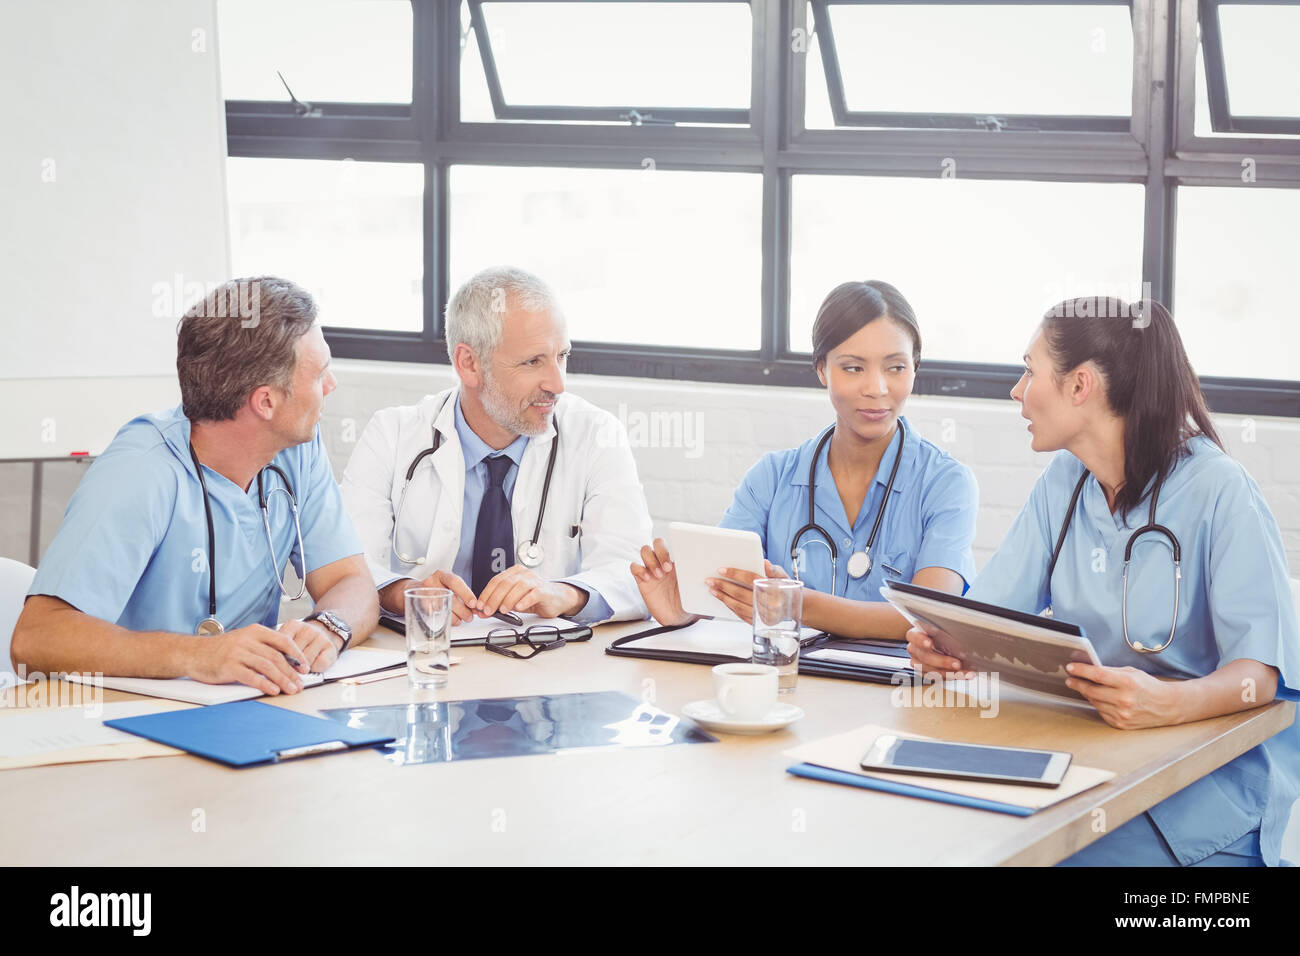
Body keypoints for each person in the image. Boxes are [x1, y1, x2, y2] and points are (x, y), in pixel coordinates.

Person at [907, 297, 1299, 866]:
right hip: (1090, 765)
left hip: (1202, 794)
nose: (1017, 391)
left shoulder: (1220, 490)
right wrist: (944, 643)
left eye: (1029, 370)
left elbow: (1259, 677)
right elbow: (987, 616)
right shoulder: (1064, 483)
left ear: (1079, 386)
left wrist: (1166, 702)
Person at [12, 277, 379, 696]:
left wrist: (329, 627)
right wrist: (196, 655)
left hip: (243, 709)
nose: (331, 386)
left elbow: (352, 582)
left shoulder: (297, 451)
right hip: (125, 715)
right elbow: (35, 639)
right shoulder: (141, 470)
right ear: (266, 402)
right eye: (320, 374)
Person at [633, 280, 977, 639]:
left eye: (896, 368)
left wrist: (794, 604)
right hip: (787, 683)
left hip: (893, 691)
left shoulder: (946, 483)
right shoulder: (771, 479)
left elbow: (931, 618)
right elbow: (724, 587)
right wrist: (682, 606)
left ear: (915, 367)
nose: (876, 388)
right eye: (853, 368)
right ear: (821, 369)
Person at [341, 266, 651, 626]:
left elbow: (633, 575)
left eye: (561, 356)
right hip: (428, 657)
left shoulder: (597, 436)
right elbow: (345, 568)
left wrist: (563, 593)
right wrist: (406, 592)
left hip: (543, 662)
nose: (557, 383)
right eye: (533, 361)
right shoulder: (390, 436)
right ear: (468, 364)